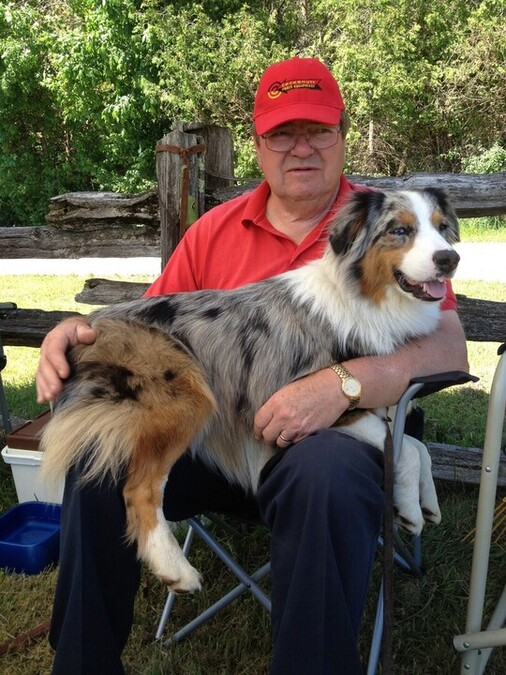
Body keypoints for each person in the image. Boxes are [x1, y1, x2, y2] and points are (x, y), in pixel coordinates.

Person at [36, 57, 468, 675]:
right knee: (96, 455)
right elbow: (154, 332)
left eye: (318, 131)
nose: (302, 148)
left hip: (325, 447)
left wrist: (342, 384)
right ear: (259, 145)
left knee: (325, 470)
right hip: (218, 442)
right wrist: (73, 332)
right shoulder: (214, 230)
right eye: (283, 134)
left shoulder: (390, 221)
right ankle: (82, 664)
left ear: (342, 136)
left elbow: (448, 349)